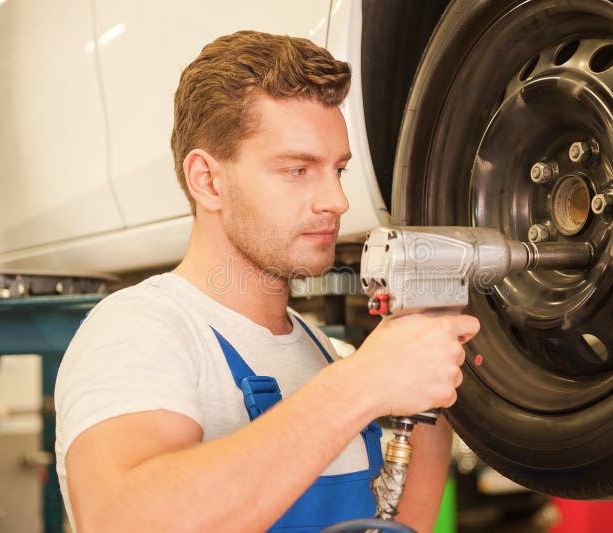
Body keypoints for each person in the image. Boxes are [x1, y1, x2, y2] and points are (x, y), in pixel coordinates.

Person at [55, 30, 480, 532]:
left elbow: (391, 524)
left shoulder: (317, 348)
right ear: (207, 180)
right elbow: (126, 521)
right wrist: (364, 383)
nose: (337, 201)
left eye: (338, 170)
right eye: (298, 170)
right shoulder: (140, 329)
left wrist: (432, 392)